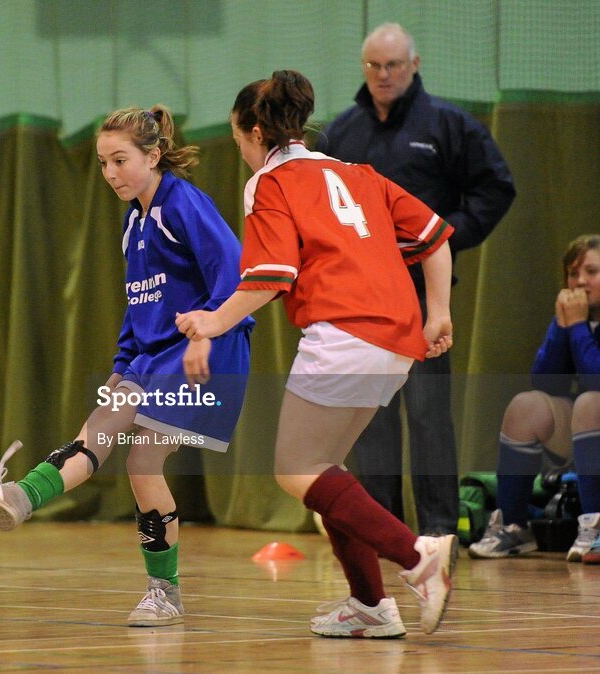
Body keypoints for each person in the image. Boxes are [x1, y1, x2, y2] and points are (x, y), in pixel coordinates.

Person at [0, 105, 253, 627]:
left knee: (141, 461)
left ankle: (164, 592)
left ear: (153, 157)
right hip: (151, 360)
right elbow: (138, 303)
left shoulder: (183, 204)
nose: (110, 174)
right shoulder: (134, 224)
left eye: (120, 160)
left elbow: (234, 271)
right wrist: (121, 364)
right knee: (97, 433)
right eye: (103, 163)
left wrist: (210, 331)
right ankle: (18, 498)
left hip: (206, 355)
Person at [176, 70, 456, 638]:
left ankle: (418, 557)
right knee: (326, 471)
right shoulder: (357, 172)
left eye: (238, 143)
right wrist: (439, 314)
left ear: (255, 132)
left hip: (345, 331)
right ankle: (371, 606)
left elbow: (269, 277)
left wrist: (212, 323)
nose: (242, 155)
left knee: (295, 467)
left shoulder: (271, 184)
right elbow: (434, 236)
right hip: (397, 338)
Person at [316, 22, 516, 536]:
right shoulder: (341, 133)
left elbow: (496, 187)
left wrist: (445, 240)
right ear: (364, 68)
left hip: (423, 298)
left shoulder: (449, 125)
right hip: (359, 301)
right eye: (374, 66)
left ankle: (438, 533)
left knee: (428, 416)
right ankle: (384, 532)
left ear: (414, 64)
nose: (383, 75)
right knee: (370, 417)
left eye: (393, 65)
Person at [468, 235, 600, 561]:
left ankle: (594, 524)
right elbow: (545, 380)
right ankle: (513, 526)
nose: (580, 282)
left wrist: (577, 326)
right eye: (573, 274)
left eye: (591, 272)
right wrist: (562, 327)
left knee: (590, 401)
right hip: (587, 424)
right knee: (525, 405)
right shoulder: (574, 314)